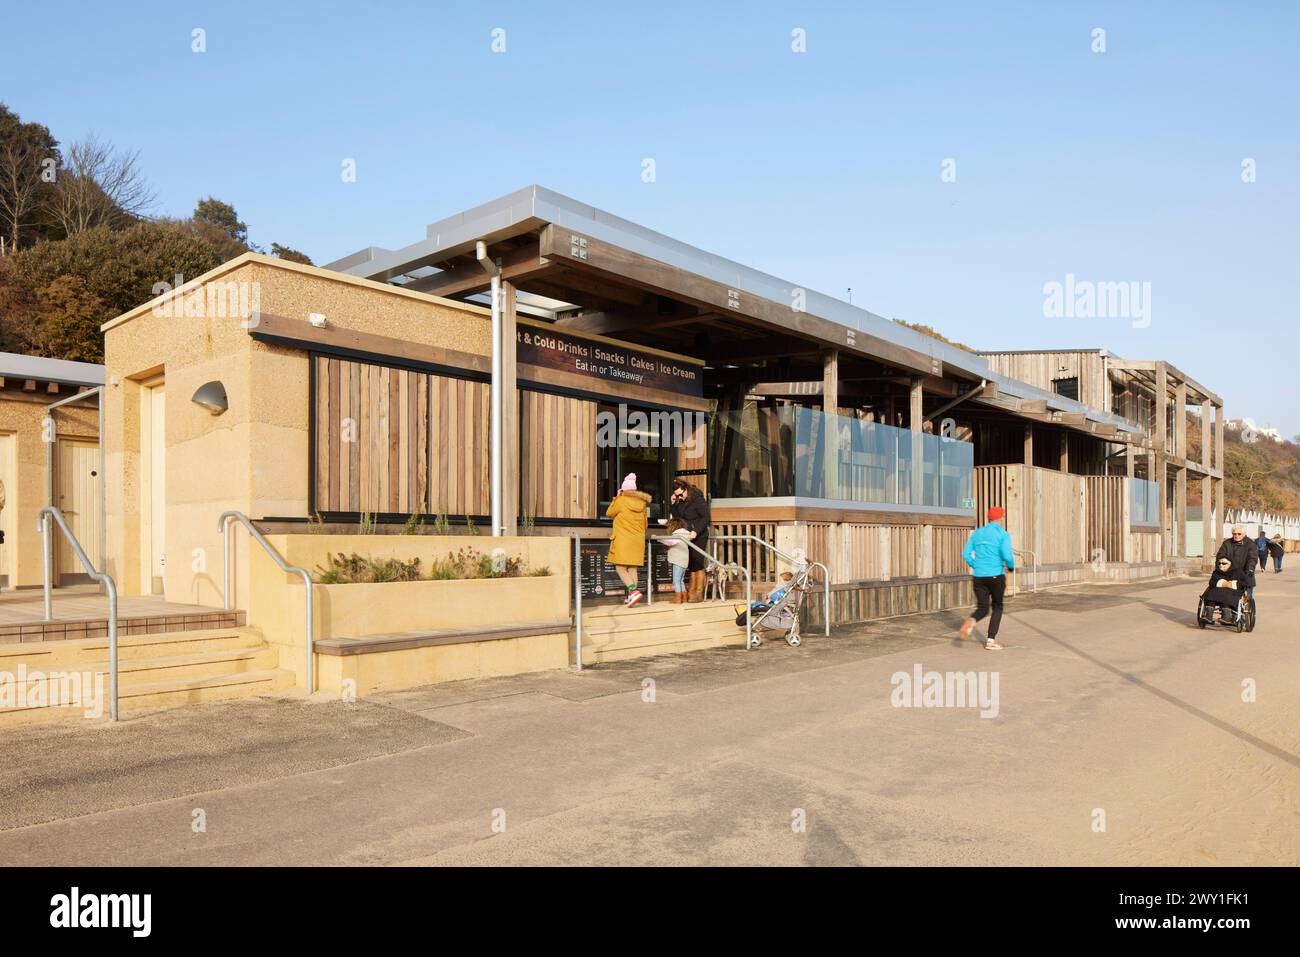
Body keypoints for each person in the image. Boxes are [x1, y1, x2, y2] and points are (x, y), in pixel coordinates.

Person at [958, 506, 1016, 651]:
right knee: (997, 606)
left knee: (983, 607)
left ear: (989, 518)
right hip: (995, 574)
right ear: (1001, 518)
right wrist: (1010, 566)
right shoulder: (1002, 534)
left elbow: (965, 553)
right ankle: (990, 640)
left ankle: (970, 622)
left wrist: (975, 564)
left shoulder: (977, 533)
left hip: (978, 576)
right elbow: (1007, 555)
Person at [606, 473, 652, 607]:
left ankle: (633, 591)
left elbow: (609, 513)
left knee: (620, 568)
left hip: (623, 540)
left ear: (623, 490)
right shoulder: (642, 504)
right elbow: (645, 525)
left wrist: (617, 497)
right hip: (637, 541)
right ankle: (631, 598)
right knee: (632, 570)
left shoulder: (621, 500)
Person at [669, 478, 711, 602]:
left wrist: (696, 531)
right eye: (677, 496)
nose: (680, 497)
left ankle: (697, 593)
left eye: (681, 494)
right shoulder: (680, 500)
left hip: (699, 534)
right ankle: (689, 592)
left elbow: (705, 517)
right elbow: (677, 517)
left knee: (697, 561)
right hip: (687, 535)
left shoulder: (697, 497)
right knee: (690, 562)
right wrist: (673, 503)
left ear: (685, 489)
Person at [656, 518, 696, 604]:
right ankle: (684, 598)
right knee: (680, 580)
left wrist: (659, 538)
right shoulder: (685, 534)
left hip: (678, 560)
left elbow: (671, 542)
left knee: (676, 580)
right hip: (684, 560)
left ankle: (678, 599)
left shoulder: (677, 535)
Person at [1215, 525, 1258, 602]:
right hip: (1229, 572)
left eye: (1239, 534)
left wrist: (1250, 569)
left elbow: (1252, 558)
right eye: (1234, 534)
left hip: (1245, 572)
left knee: (1247, 594)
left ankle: (1247, 605)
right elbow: (1220, 555)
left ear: (1244, 534)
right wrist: (1223, 564)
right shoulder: (1227, 543)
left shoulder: (1250, 544)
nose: (1236, 535)